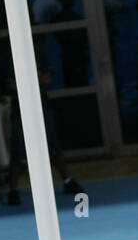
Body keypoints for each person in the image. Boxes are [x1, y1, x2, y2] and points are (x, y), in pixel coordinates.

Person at [5, 65, 82, 206]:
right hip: (20, 107)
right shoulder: (10, 59)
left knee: (52, 144)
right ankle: (13, 191)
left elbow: (47, 79)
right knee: (19, 150)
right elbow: (13, 85)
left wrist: (34, 79)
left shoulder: (40, 56)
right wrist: (34, 79)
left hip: (41, 102)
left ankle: (68, 181)